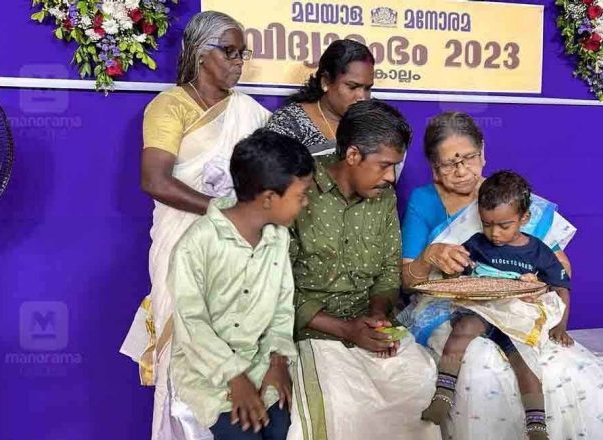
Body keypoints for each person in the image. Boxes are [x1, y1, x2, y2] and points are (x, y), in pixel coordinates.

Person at [400, 112, 603, 439]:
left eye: (468, 158)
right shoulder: (424, 201)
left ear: (483, 152)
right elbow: (407, 280)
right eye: (449, 164)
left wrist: (538, 285)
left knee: (572, 368)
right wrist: (429, 256)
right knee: (481, 366)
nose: (461, 170)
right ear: (433, 166)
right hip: (452, 308)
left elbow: (560, 268)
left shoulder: (506, 197)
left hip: (519, 309)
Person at [117, 11, 271, 440]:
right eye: (229, 52)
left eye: (242, 54)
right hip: (181, 247)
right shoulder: (169, 106)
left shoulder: (249, 113)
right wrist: (223, 212)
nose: (238, 62)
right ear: (202, 54)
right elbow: (155, 180)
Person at [286, 99, 441, 440]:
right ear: (353, 155)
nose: (391, 178)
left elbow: (388, 270)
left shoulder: (384, 198)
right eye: (384, 165)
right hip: (312, 332)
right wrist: (345, 329)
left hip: (369, 328)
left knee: (422, 383)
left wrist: (377, 316)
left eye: (395, 167)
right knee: (342, 409)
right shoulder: (297, 191)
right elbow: (277, 285)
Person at [168, 129, 314, 440]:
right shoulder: (196, 245)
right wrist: (235, 377)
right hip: (206, 371)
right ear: (268, 199)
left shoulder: (278, 238)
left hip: (260, 362)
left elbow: (282, 308)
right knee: (244, 433)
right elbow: (191, 323)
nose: (306, 203)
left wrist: (278, 361)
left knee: (281, 430)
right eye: (301, 195)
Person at [420, 171, 574, 440]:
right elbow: (455, 274)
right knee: (461, 331)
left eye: (504, 225)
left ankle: (536, 426)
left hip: (517, 316)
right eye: (487, 224)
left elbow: (562, 287)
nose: (494, 233)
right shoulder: (476, 243)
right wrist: (453, 269)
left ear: (524, 218)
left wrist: (560, 325)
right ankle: (443, 395)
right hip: (483, 309)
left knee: (525, 364)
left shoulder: (538, 251)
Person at [265, 39, 374, 155]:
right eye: (352, 87)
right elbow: (271, 164)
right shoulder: (289, 122)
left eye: (367, 88)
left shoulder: (372, 122)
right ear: (325, 82)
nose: (362, 97)